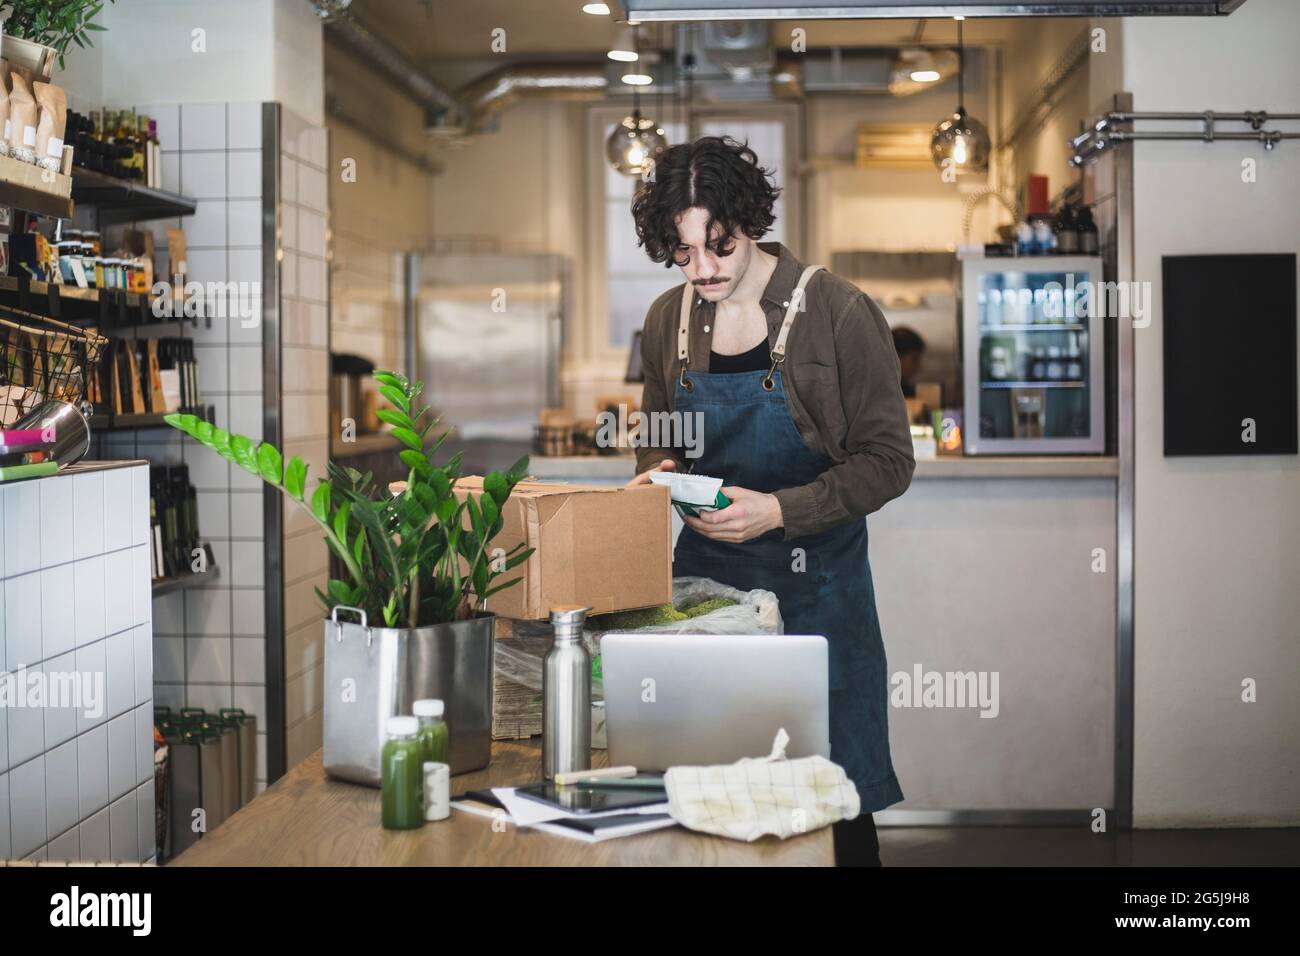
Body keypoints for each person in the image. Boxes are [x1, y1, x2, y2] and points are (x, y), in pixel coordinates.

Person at [625, 136, 915, 866]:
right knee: (709, 793)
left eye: (718, 248)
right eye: (682, 254)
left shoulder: (839, 313)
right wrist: (655, 473)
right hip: (705, 595)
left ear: (749, 221)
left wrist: (779, 511)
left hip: (818, 588)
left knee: (832, 794)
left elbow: (888, 462)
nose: (703, 270)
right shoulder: (668, 318)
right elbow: (662, 431)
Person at [891, 326, 926, 399]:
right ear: (897, 356)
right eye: (915, 359)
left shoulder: (904, 388)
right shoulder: (890, 392)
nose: (919, 366)